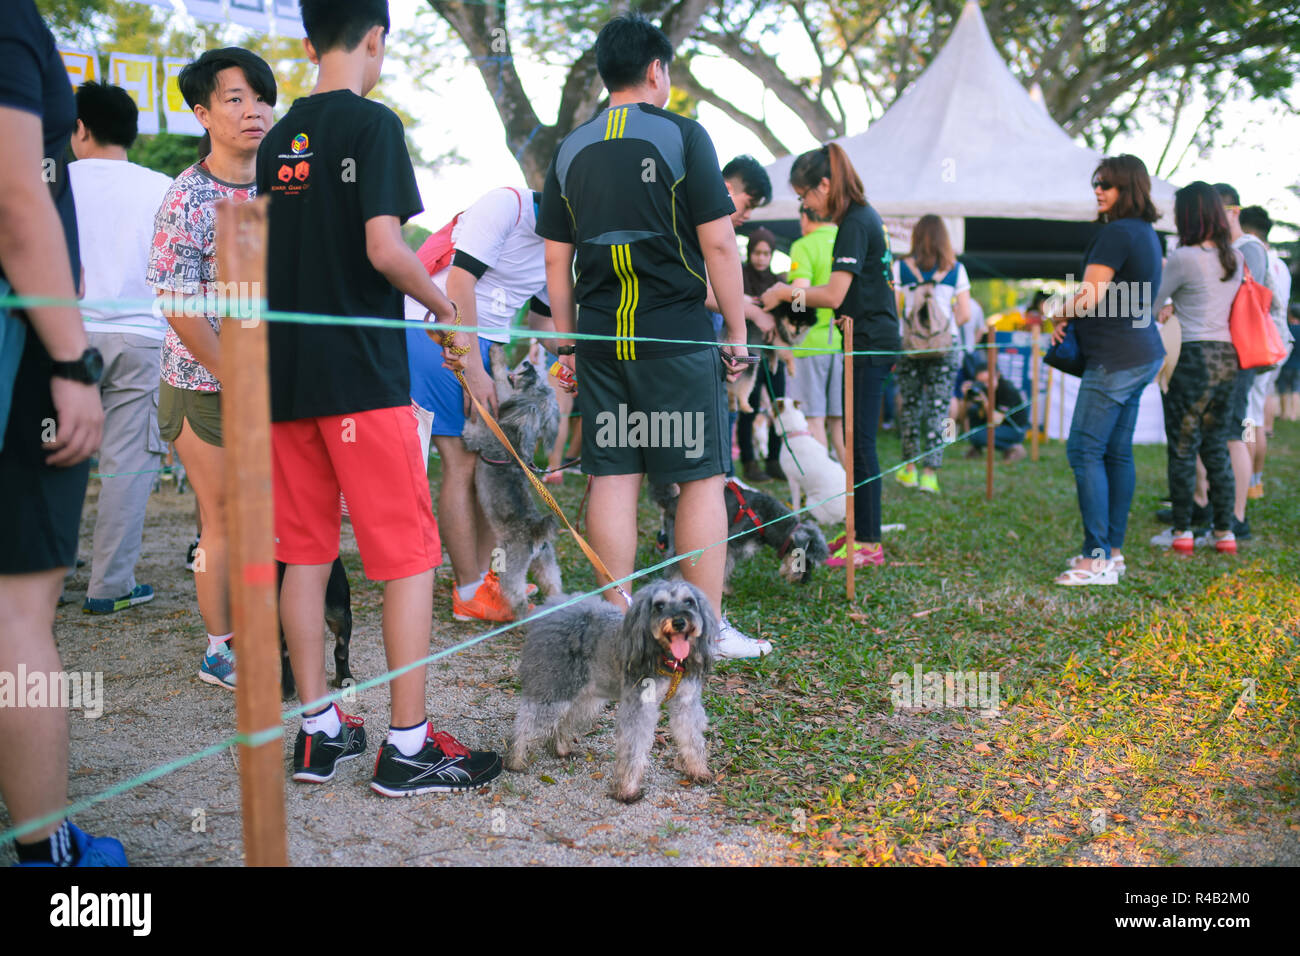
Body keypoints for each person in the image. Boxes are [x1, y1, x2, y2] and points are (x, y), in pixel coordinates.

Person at [260, 0, 501, 793]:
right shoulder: (373, 125)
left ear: (307, 41)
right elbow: (383, 247)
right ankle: (407, 746)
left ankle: (319, 731)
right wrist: (444, 308)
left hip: (287, 380)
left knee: (305, 552)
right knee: (406, 558)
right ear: (375, 38)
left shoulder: (277, 139)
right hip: (362, 378)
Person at [539, 14, 767, 658]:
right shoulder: (684, 135)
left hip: (601, 337)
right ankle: (707, 633)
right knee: (700, 479)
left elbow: (556, 258)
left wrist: (566, 341)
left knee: (614, 475)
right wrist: (737, 331)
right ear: (655, 70)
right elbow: (719, 243)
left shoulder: (570, 147)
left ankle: (619, 628)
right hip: (675, 336)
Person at [0, 0, 123, 866]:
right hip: (21, 349)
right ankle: (49, 860)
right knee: (17, 611)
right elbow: (17, 199)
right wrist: (73, 362)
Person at [148, 47, 275, 691]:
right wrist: (236, 376)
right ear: (202, 114)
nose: (254, 111)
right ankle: (218, 648)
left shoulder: (282, 185)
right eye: (235, 99)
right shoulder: (187, 195)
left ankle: (257, 624)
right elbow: (176, 303)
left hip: (270, 382)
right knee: (220, 517)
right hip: (202, 383)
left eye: (262, 97)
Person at [403, 185, 551, 623]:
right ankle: (468, 591)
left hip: (492, 343)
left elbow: (543, 319)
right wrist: (471, 366)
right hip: (440, 330)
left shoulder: (568, 240)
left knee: (493, 465)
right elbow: (459, 282)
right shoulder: (509, 204)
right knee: (462, 463)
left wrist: (571, 358)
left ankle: (488, 579)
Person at [761, 143, 902, 569]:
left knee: (860, 445)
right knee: (855, 442)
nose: (806, 205)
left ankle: (869, 542)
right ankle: (859, 533)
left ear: (824, 185)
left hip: (870, 342)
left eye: (805, 195)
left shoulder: (856, 222)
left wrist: (784, 293)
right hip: (865, 337)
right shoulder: (861, 218)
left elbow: (833, 294)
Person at [69, 82, 174, 615]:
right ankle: (109, 586)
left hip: (62, 336)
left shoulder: (52, 182)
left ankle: (47, 572)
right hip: (141, 337)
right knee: (127, 464)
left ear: (79, 128)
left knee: (53, 454)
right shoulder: (163, 187)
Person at [1048, 155, 1165, 586]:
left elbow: (1091, 294)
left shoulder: (1116, 232)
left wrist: (1057, 313)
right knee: (1115, 452)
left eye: (1107, 184)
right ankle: (1111, 553)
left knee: (1084, 450)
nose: (1098, 190)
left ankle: (1096, 559)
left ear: (1128, 189)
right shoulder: (1146, 233)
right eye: (1096, 183)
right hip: (1140, 353)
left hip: (1116, 359)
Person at [1147, 183, 1243, 553]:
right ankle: (1224, 533)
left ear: (1188, 215)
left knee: (1183, 448)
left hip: (1191, 355)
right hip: (1226, 356)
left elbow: (1153, 302)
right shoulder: (1234, 257)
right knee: (1216, 446)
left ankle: (1182, 532)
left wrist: (1167, 304)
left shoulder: (1184, 257)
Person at [892, 214, 970, 494]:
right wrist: (941, 330)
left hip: (910, 347)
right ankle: (930, 475)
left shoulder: (900, 267)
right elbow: (965, 313)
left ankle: (909, 469)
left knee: (910, 406)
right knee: (940, 408)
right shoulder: (956, 269)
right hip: (945, 349)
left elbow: (895, 308)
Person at [1213, 183, 1266, 540]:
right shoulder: (1239, 248)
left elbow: (1249, 301)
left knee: (1238, 429)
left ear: (1233, 212)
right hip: (1233, 351)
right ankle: (1228, 511)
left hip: (1241, 352)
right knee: (1236, 427)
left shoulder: (1249, 249)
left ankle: (1237, 516)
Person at [1237, 205, 1293, 500]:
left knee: (1246, 419)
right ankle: (1255, 482)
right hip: (1277, 345)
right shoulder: (1280, 264)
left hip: (1257, 345)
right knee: (1256, 415)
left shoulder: (1251, 254)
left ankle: (1243, 484)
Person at [785, 203, 845, 465]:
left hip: (809, 344)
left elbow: (799, 294)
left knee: (814, 420)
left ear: (805, 216)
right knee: (839, 424)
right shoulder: (846, 241)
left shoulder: (804, 245)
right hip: (844, 342)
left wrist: (792, 325)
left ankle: (824, 486)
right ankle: (849, 485)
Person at [737, 225, 785, 484]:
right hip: (749, 353)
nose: (761, 258)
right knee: (749, 406)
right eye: (757, 252)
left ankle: (774, 460)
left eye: (766, 253)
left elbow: (795, 310)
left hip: (773, 355)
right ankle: (749, 462)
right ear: (750, 252)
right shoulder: (739, 276)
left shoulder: (779, 281)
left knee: (779, 405)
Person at [961, 355, 1028, 459]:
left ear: (998, 375)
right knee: (973, 415)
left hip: (1013, 429)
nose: (986, 385)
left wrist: (985, 401)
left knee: (978, 436)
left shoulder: (1007, 390)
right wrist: (965, 397)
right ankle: (977, 448)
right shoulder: (981, 390)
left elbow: (996, 420)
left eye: (989, 380)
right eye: (981, 382)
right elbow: (964, 417)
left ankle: (1014, 447)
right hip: (995, 428)